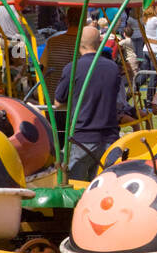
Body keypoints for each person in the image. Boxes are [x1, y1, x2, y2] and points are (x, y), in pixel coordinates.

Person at [53, 26, 136, 180]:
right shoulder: (112, 68)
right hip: (109, 138)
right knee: (104, 187)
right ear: (99, 43)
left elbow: (58, 103)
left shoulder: (72, 68)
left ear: (78, 44)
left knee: (75, 187)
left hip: (82, 138)